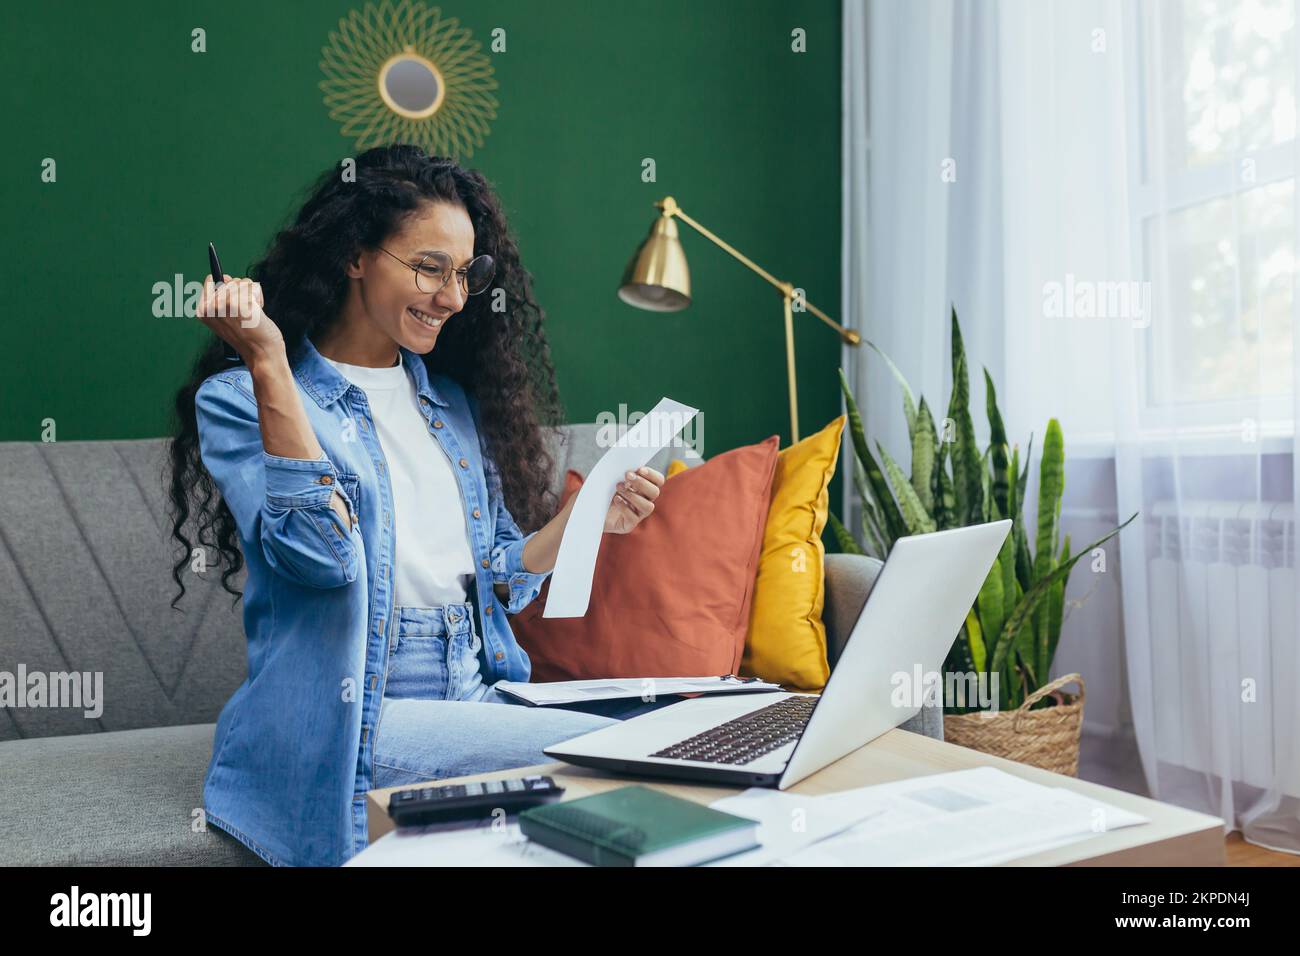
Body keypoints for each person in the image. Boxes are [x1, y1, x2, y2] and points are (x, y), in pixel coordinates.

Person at [166, 144, 671, 867]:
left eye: (466, 273)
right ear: (355, 257)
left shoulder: (449, 406)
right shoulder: (244, 399)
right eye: (431, 267)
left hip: (475, 691)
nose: (454, 296)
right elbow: (321, 559)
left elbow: (496, 583)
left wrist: (588, 520)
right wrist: (268, 360)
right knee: (618, 755)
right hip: (357, 718)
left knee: (675, 724)